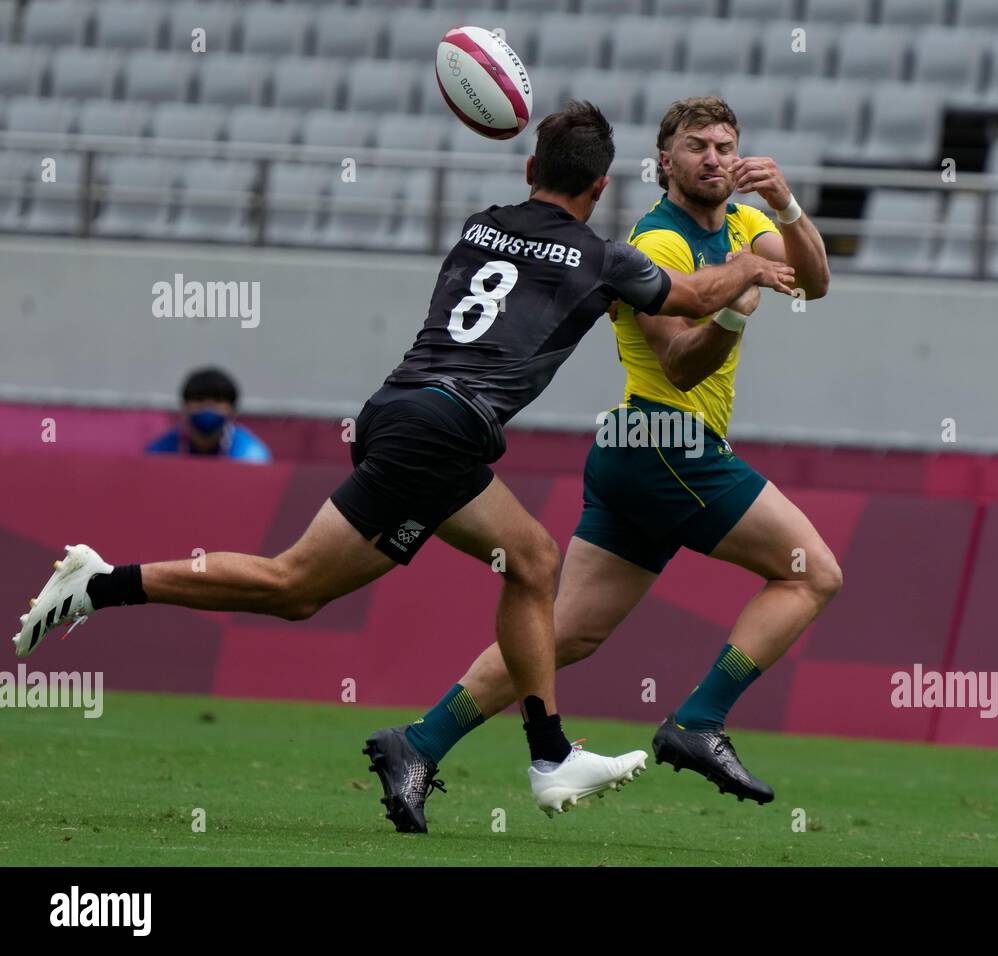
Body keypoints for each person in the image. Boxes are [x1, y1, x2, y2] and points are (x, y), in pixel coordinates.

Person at [12, 102, 797, 833]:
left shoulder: (480, 227)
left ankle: (100, 582)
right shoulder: (603, 257)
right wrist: (753, 270)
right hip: (447, 428)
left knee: (295, 588)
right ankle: (551, 756)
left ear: (529, 170)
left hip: (396, 410)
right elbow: (693, 296)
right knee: (532, 559)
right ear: (601, 185)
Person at [411, 96, 840, 810]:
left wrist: (789, 208)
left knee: (565, 635)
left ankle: (418, 743)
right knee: (813, 574)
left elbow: (817, 283)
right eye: (698, 146)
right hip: (667, 440)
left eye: (726, 146)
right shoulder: (654, 243)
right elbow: (678, 366)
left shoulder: (743, 221)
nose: (714, 158)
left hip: (635, 451)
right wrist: (734, 309)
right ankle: (699, 722)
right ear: (664, 161)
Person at [145, 367, 271, 463]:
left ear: (233, 410)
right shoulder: (160, 452)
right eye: (199, 399)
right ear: (184, 407)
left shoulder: (251, 455)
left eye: (218, 401)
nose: (207, 407)